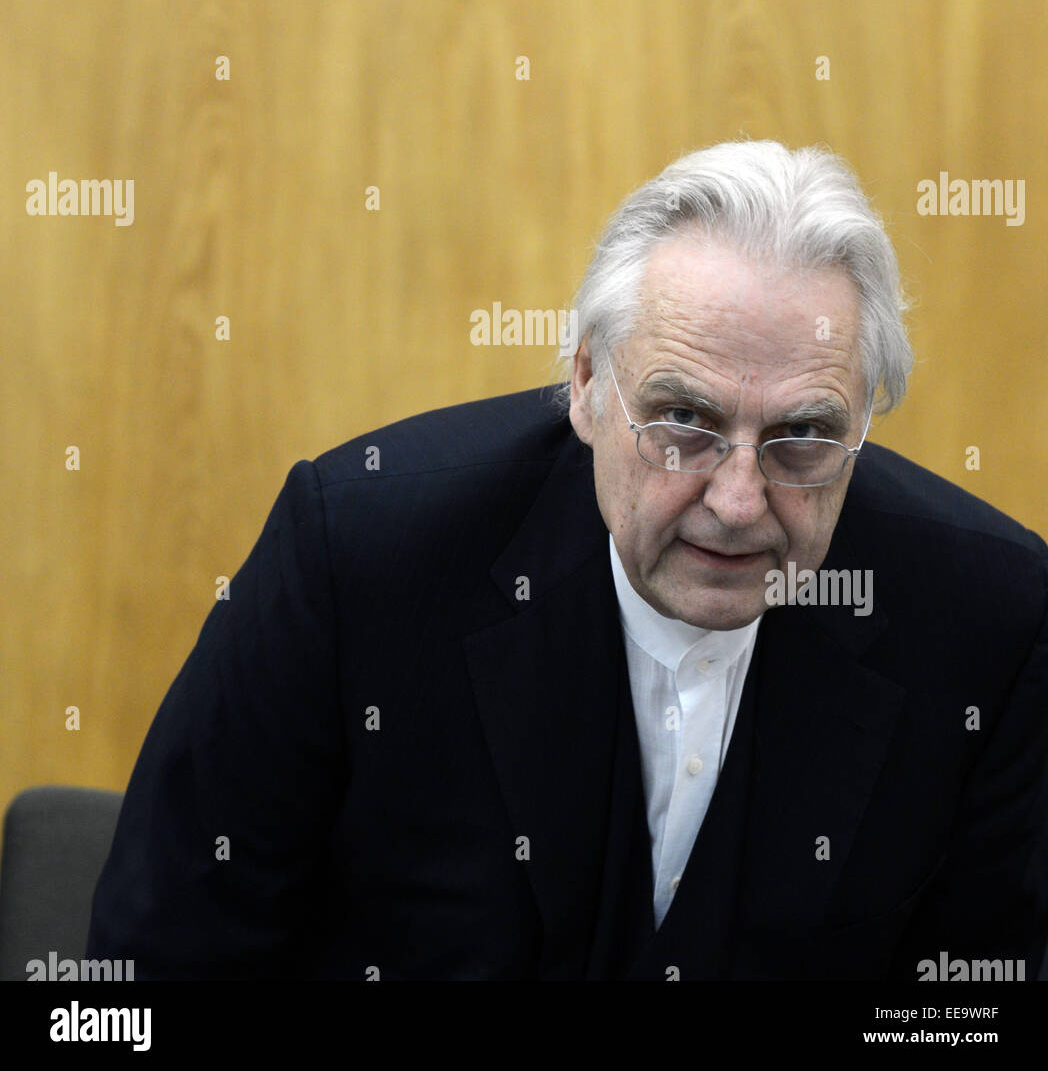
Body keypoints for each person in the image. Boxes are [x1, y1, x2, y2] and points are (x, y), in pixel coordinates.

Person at [87, 140, 1048, 980]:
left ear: (865, 419)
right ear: (587, 385)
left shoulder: (990, 616)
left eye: (803, 436)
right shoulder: (363, 555)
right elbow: (156, 966)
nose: (740, 500)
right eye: (684, 422)